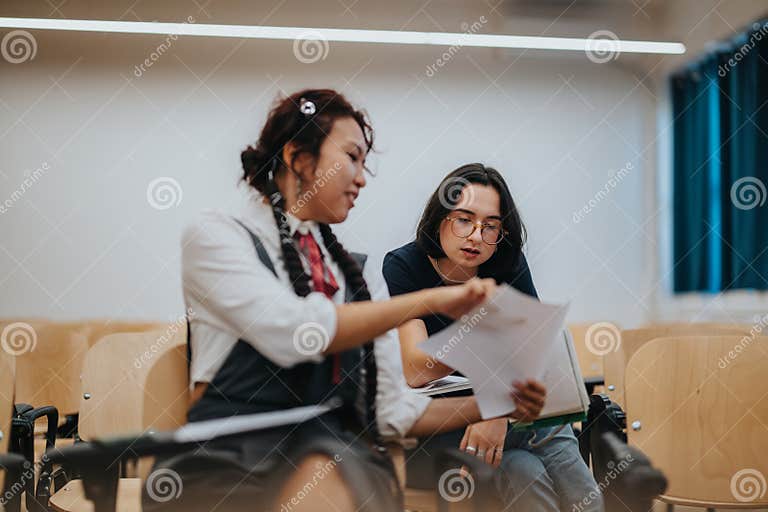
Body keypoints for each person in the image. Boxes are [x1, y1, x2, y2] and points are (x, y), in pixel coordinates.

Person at [144, 91, 548, 512]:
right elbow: (297, 332)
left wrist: (495, 404)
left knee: (339, 465)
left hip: (333, 457)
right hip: (232, 456)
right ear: (298, 157)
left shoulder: (359, 274)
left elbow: (393, 412)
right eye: (352, 157)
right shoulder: (216, 237)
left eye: (364, 163)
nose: (361, 178)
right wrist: (429, 300)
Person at [383, 163, 603, 511]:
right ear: (440, 217)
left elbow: (533, 348)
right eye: (464, 220)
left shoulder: (507, 263)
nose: (476, 237)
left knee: (524, 469)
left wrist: (498, 413)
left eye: (491, 227)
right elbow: (418, 368)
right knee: (551, 432)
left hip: (507, 425)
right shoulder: (405, 265)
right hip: (442, 426)